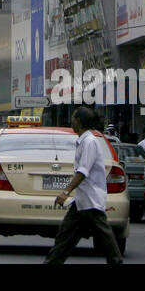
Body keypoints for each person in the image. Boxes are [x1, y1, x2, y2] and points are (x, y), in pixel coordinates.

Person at [43, 107, 124, 264]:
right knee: (65, 236)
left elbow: (83, 171)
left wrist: (65, 192)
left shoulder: (90, 142)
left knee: (105, 237)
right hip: (82, 200)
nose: (71, 121)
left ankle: (116, 261)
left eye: (73, 118)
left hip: (91, 199)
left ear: (79, 121)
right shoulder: (83, 141)